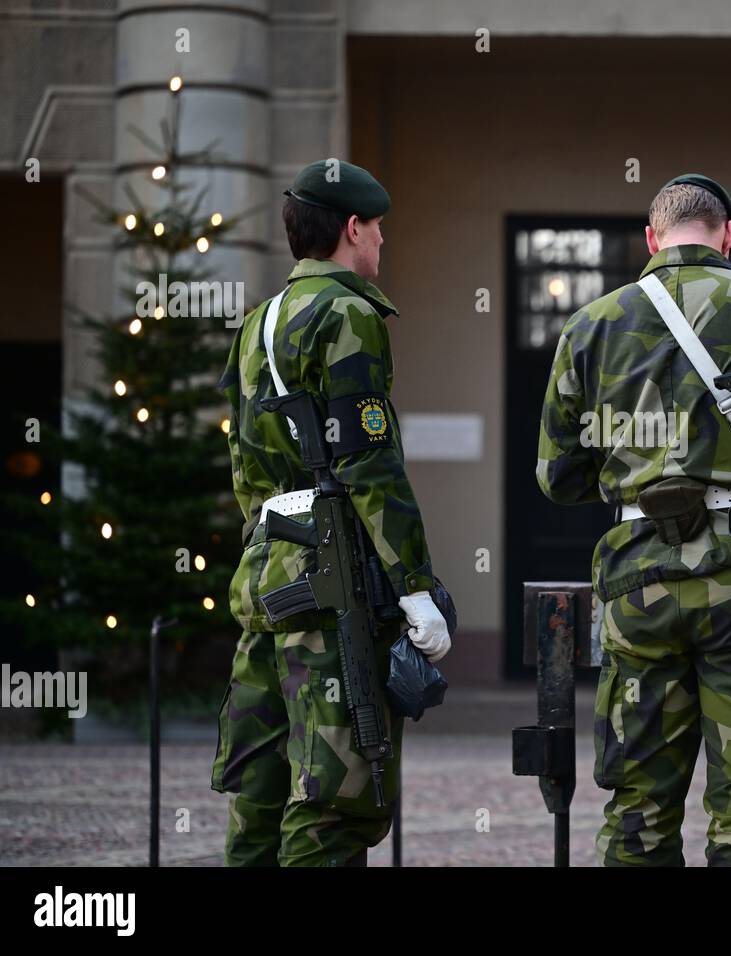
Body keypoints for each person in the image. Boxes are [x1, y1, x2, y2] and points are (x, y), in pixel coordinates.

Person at [536, 174, 731, 866]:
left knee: (637, 806)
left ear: (652, 238)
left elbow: (557, 479)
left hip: (635, 582)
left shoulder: (591, 324)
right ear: (726, 234)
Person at [212, 159, 451, 866]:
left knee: (260, 792)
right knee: (335, 802)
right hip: (330, 577)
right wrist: (414, 584)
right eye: (377, 229)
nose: (381, 242)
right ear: (353, 228)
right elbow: (370, 465)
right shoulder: (347, 313)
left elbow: (244, 466)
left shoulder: (258, 321)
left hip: (268, 572)